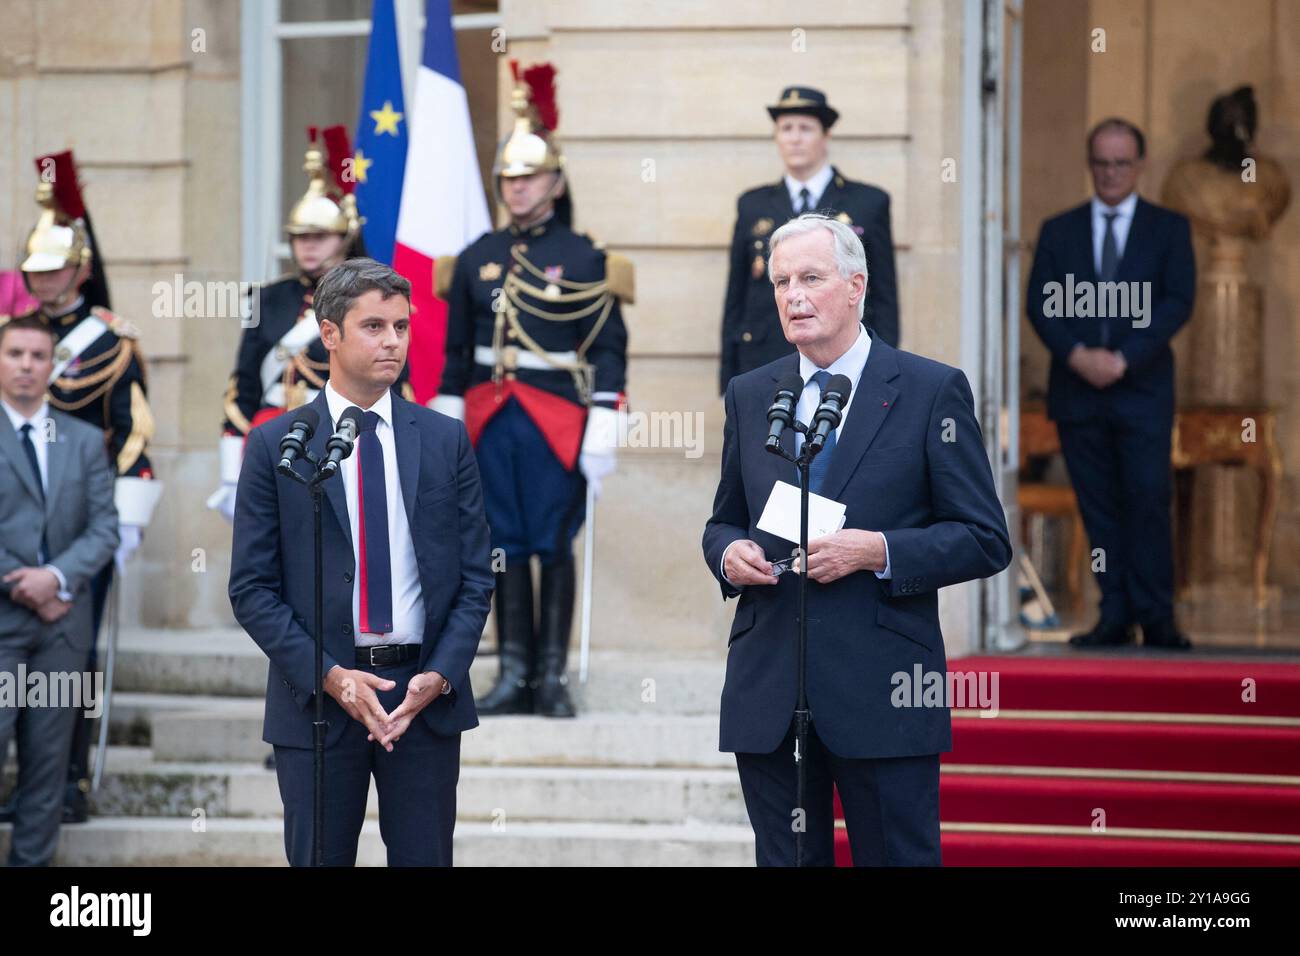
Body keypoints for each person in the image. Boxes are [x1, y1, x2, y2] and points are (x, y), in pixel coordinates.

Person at [702, 214, 1011, 866]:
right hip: (770, 691)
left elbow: (984, 538)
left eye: (811, 278)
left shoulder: (930, 391)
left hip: (882, 689)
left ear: (855, 286)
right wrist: (728, 555)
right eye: (783, 281)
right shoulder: (753, 393)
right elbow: (724, 520)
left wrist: (880, 551)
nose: (794, 296)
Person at [228, 258, 493, 866]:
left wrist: (443, 672)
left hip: (421, 698)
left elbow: (477, 575)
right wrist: (329, 675)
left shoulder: (444, 438)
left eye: (401, 326)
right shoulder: (278, 444)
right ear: (329, 334)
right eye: (374, 327)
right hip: (321, 699)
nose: (393, 341)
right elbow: (251, 588)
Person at [432, 62, 630, 718]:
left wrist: (605, 419)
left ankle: (550, 678)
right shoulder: (475, 256)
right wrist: (446, 413)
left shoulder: (584, 256)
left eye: (530, 178)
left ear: (555, 180)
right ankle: (512, 672)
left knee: (551, 541)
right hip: (489, 415)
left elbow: (607, 347)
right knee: (499, 545)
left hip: (555, 416)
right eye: (509, 179)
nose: (518, 190)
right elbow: (456, 351)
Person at [5, 151, 160, 826]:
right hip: (16, 521)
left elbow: (131, 429)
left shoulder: (111, 342)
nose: (44, 281)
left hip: (81, 519)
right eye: (34, 270)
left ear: (79, 269)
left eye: (55, 269)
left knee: (76, 652)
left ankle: (66, 779)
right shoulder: (12, 340)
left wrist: (120, 520)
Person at [1026, 118, 1196, 650]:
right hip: (1079, 393)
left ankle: (1158, 616)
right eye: (1102, 162)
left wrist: (1123, 358)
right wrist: (1079, 355)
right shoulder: (1060, 229)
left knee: (1147, 499)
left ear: (1140, 166)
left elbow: (1177, 301)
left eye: (1122, 163)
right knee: (1098, 506)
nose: (1111, 173)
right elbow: (1041, 302)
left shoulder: (1169, 228)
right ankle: (1114, 614)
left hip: (1141, 389)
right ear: (1090, 164)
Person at [209, 126, 414, 523]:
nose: (308, 245)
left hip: (347, 436)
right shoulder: (267, 300)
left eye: (320, 236)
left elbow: (393, 381)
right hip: (279, 438)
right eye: (300, 237)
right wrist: (232, 467)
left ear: (346, 237)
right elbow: (244, 385)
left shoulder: (370, 298)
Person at [0, 314, 119, 865]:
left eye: (37, 355)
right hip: (3, 623)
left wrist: (55, 578)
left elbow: (105, 529)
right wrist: (23, 583)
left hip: (62, 628)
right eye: (15, 354)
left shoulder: (85, 440)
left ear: (54, 364)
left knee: (48, 765)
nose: (26, 365)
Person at [719, 86, 899, 393]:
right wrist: (729, 376)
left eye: (806, 128)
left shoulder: (867, 202)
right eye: (786, 128)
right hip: (763, 357)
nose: (795, 138)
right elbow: (737, 294)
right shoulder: (753, 205)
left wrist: (885, 365)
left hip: (843, 364)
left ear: (825, 136)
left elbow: (883, 295)